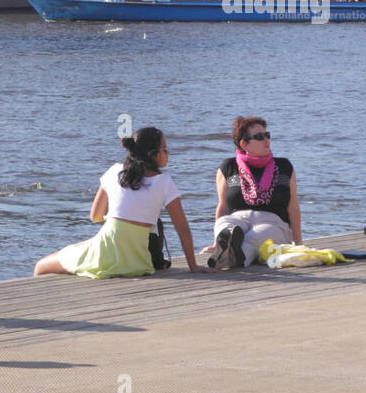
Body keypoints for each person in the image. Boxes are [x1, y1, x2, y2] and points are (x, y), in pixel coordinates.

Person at [34, 127, 208, 277]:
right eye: (165, 149)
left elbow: (95, 216)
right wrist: (193, 266)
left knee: (40, 266)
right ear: (151, 154)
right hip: (138, 263)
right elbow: (182, 228)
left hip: (103, 254)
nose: (168, 154)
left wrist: (119, 213)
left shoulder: (115, 172)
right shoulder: (165, 182)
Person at [208, 117, 301, 270]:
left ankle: (232, 258)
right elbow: (222, 205)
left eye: (267, 135)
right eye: (259, 137)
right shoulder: (228, 167)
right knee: (224, 224)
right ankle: (222, 249)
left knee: (253, 238)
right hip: (239, 220)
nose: (266, 140)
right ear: (244, 144)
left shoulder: (284, 166)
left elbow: (293, 206)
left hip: (273, 223)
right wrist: (215, 242)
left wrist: (297, 242)